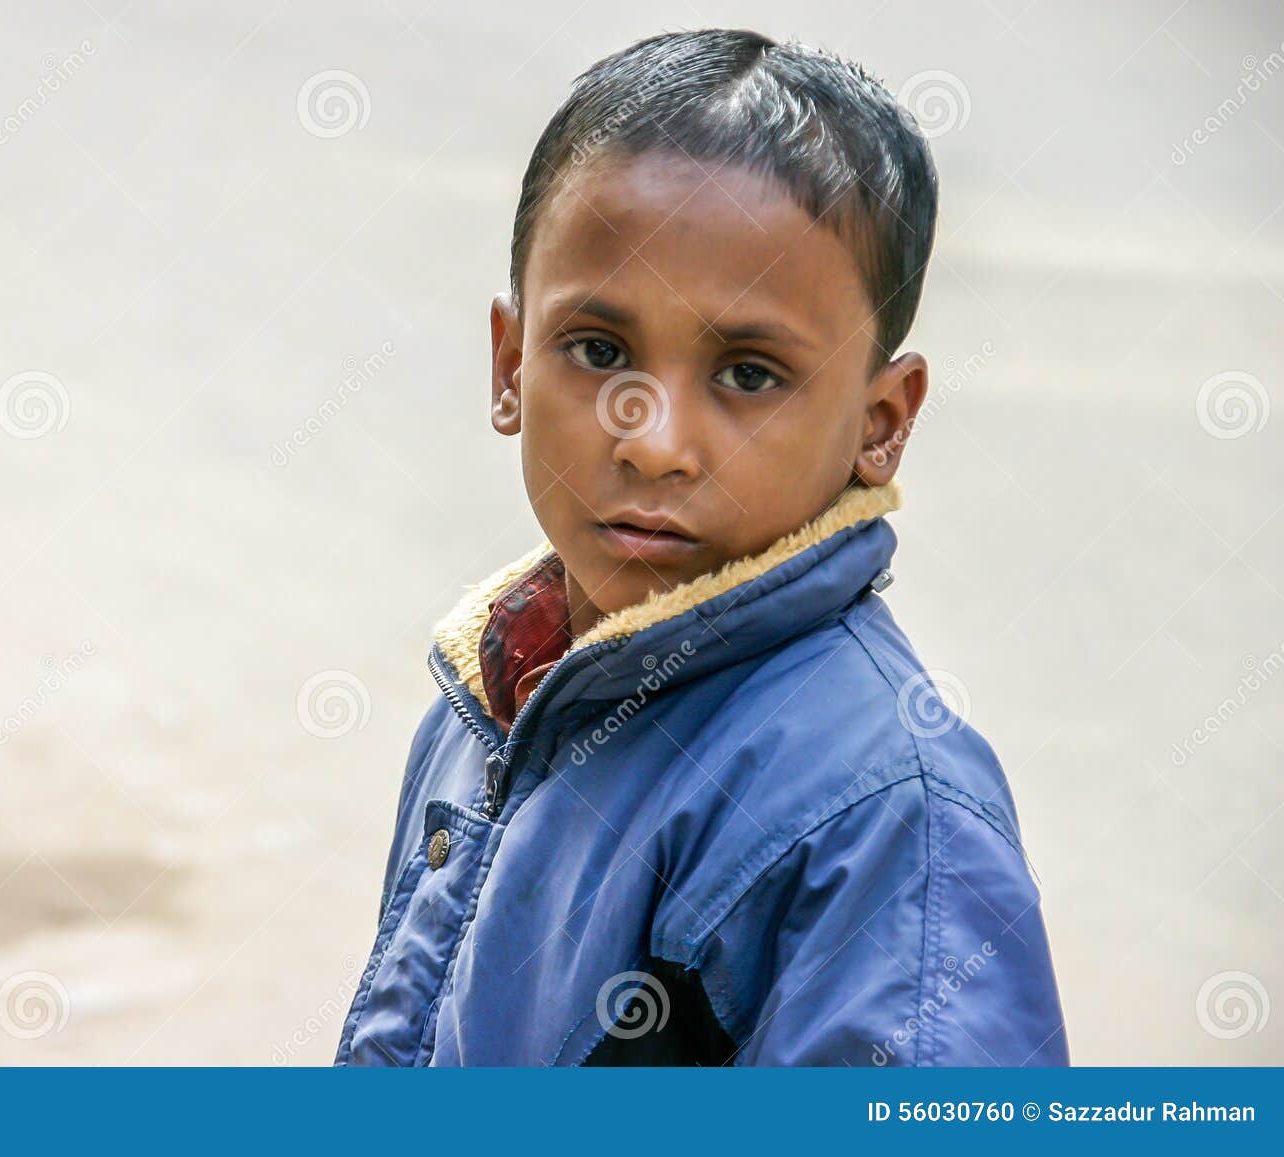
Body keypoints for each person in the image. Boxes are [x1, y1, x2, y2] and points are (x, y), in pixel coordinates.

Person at [336, 28, 1067, 1066]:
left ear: (880, 420)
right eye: (597, 350)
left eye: (749, 373)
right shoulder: (496, 693)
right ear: (508, 363)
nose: (654, 441)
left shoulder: (881, 813)